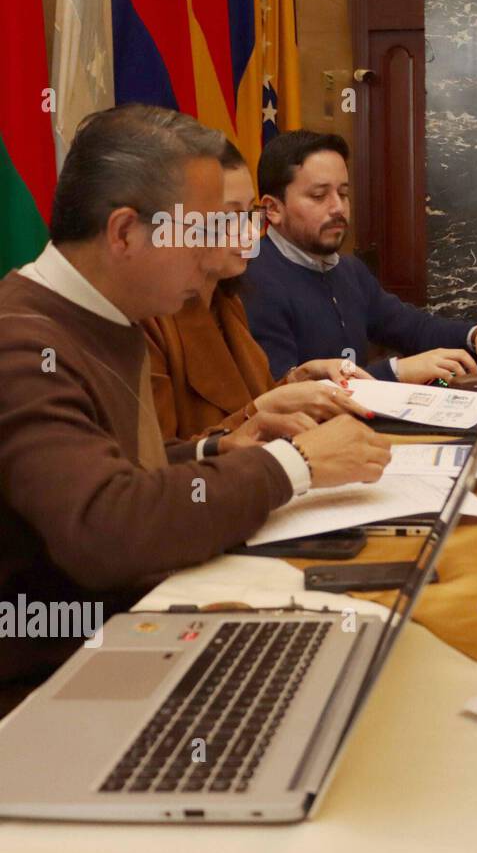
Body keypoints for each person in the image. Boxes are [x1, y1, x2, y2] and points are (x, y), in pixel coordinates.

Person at [0, 105, 391, 690]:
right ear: (126, 232)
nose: (217, 254)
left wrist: (216, 450)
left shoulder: (107, 315)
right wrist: (295, 465)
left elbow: (120, 468)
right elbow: (106, 527)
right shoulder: (22, 344)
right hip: (53, 686)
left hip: (136, 635)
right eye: (202, 230)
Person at [241, 130, 477, 383]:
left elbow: (411, 327)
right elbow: (279, 392)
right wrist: (397, 372)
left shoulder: (349, 270)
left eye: (343, 193)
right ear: (273, 209)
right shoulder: (252, 280)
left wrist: (476, 336)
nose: (338, 208)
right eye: (318, 196)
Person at [143, 140, 367, 440]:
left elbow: (246, 400)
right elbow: (160, 465)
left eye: (250, 213)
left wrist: (298, 379)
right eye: (230, 216)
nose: (251, 232)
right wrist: (260, 410)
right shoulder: (148, 317)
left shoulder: (227, 298)